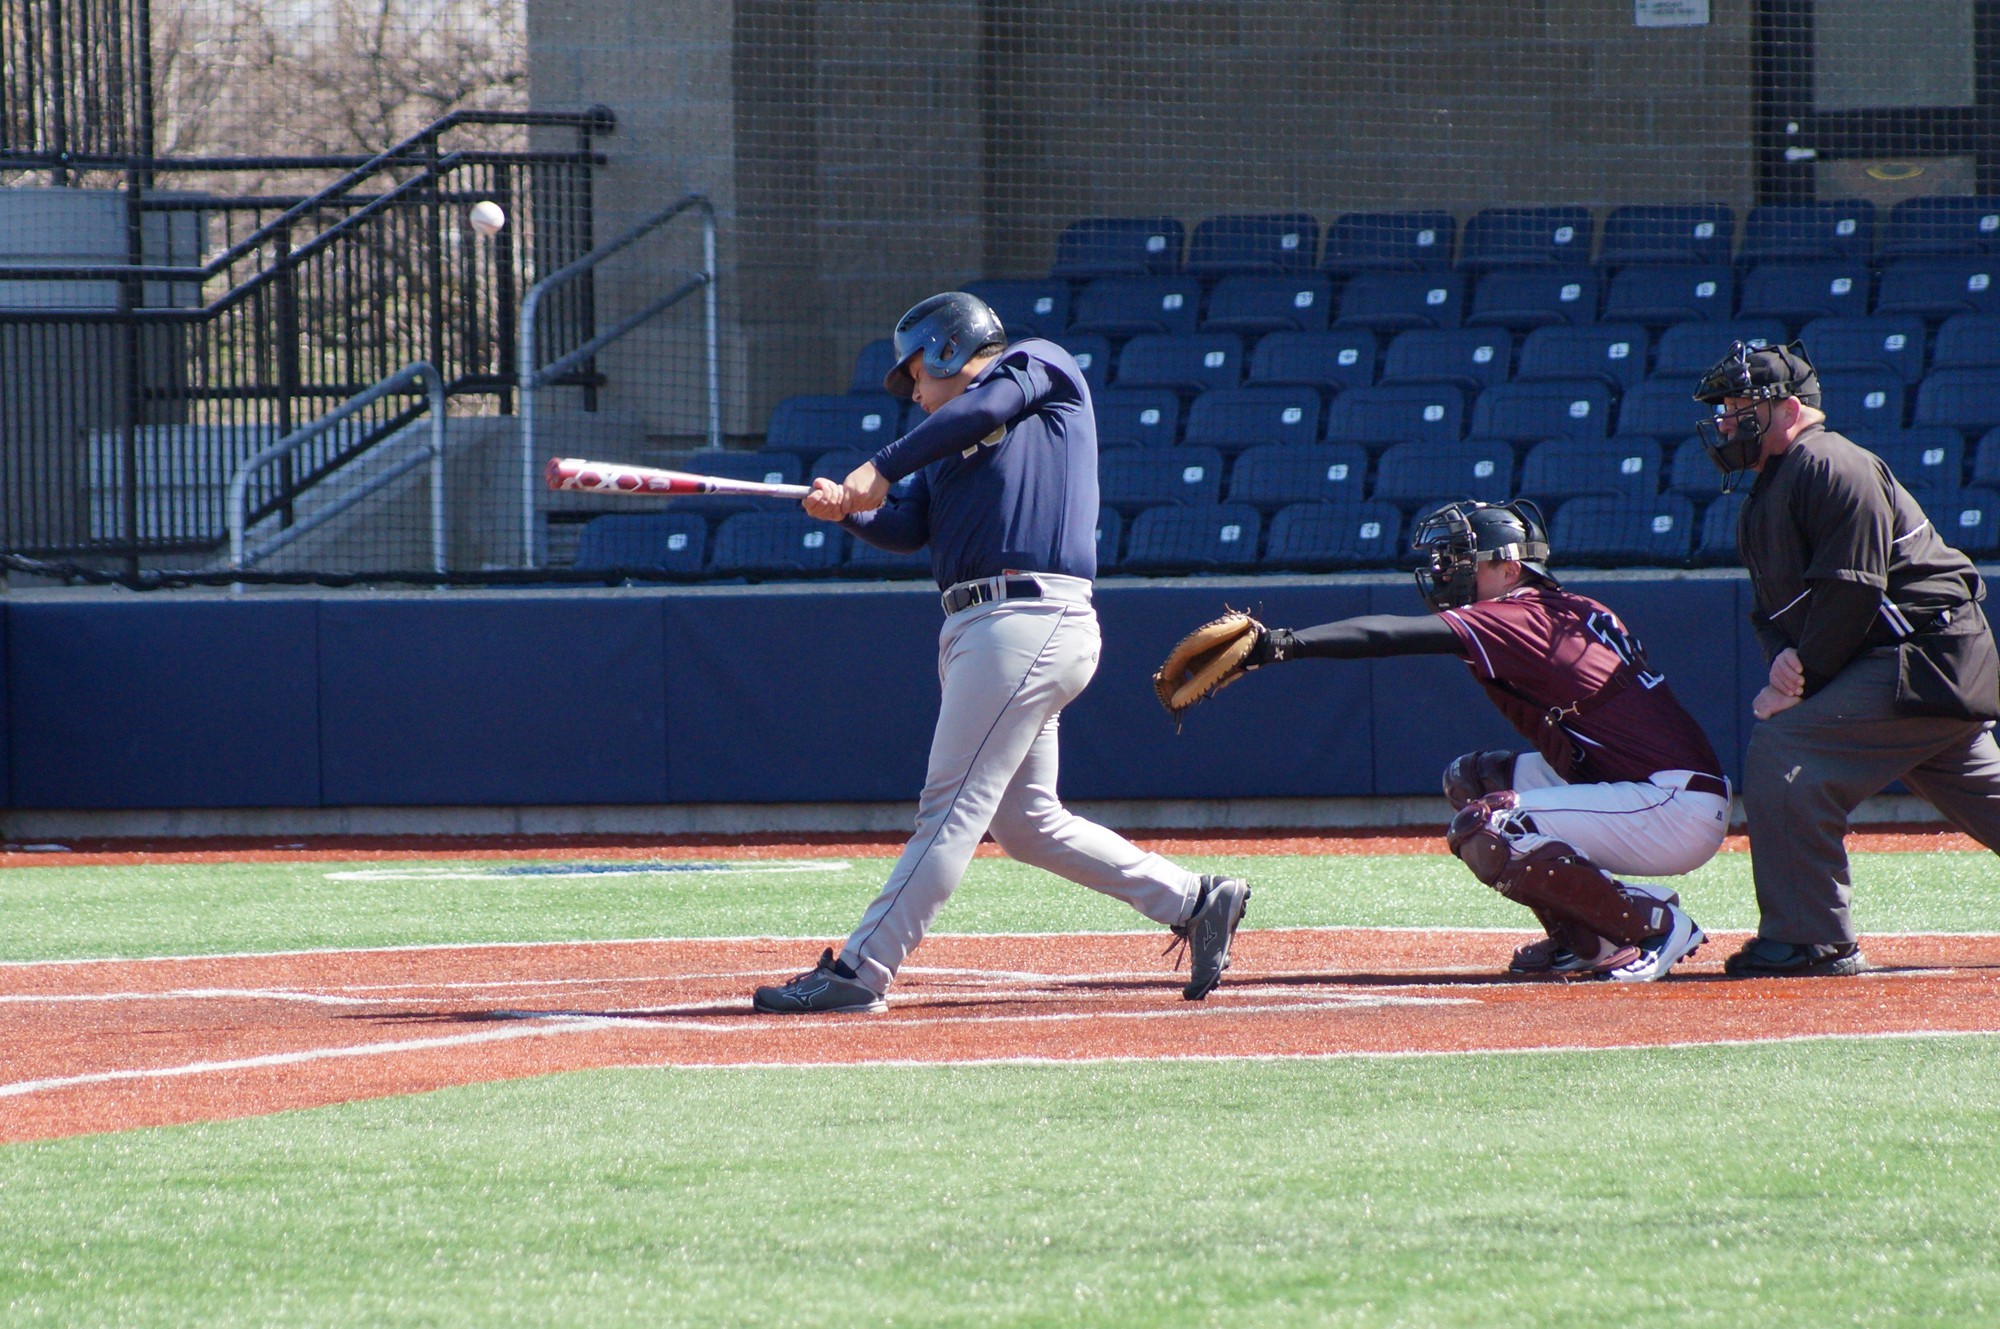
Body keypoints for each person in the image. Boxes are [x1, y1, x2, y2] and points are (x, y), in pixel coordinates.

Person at [752, 291, 1249, 1013]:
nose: (914, 391)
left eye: (917, 373)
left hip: (1027, 614)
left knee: (949, 806)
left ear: (952, 347)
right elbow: (910, 525)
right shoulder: (944, 446)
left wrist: (881, 464)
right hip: (981, 628)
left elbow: (980, 412)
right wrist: (852, 509)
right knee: (1027, 823)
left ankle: (861, 970)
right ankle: (1196, 899)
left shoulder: (1037, 365)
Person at [1168, 499, 1727, 981]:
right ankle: (1587, 938)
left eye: (1461, 561)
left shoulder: (1520, 615)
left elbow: (1392, 635)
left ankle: (1655, 926)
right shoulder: (1570, 607)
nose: (1444, 573)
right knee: (1473, 779)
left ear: (1509, 569)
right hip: (1646, 784)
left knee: (1493, 825)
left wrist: (1280, 645)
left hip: (1671, 804)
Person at [1693, 340, 2000, 976]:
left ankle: (1812, 938)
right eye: (1723, 407)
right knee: (1986, 793)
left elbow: (1851, 590)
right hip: (1901, 660)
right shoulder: (1768, 493)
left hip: (1926, 655)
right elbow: (1770, 612)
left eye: (1738, 403)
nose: (1726, 420)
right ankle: (1811, 934)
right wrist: (1782, 656)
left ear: (1788, 408)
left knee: (1786, 749)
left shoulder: (1832, 464)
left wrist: (1800, 684)